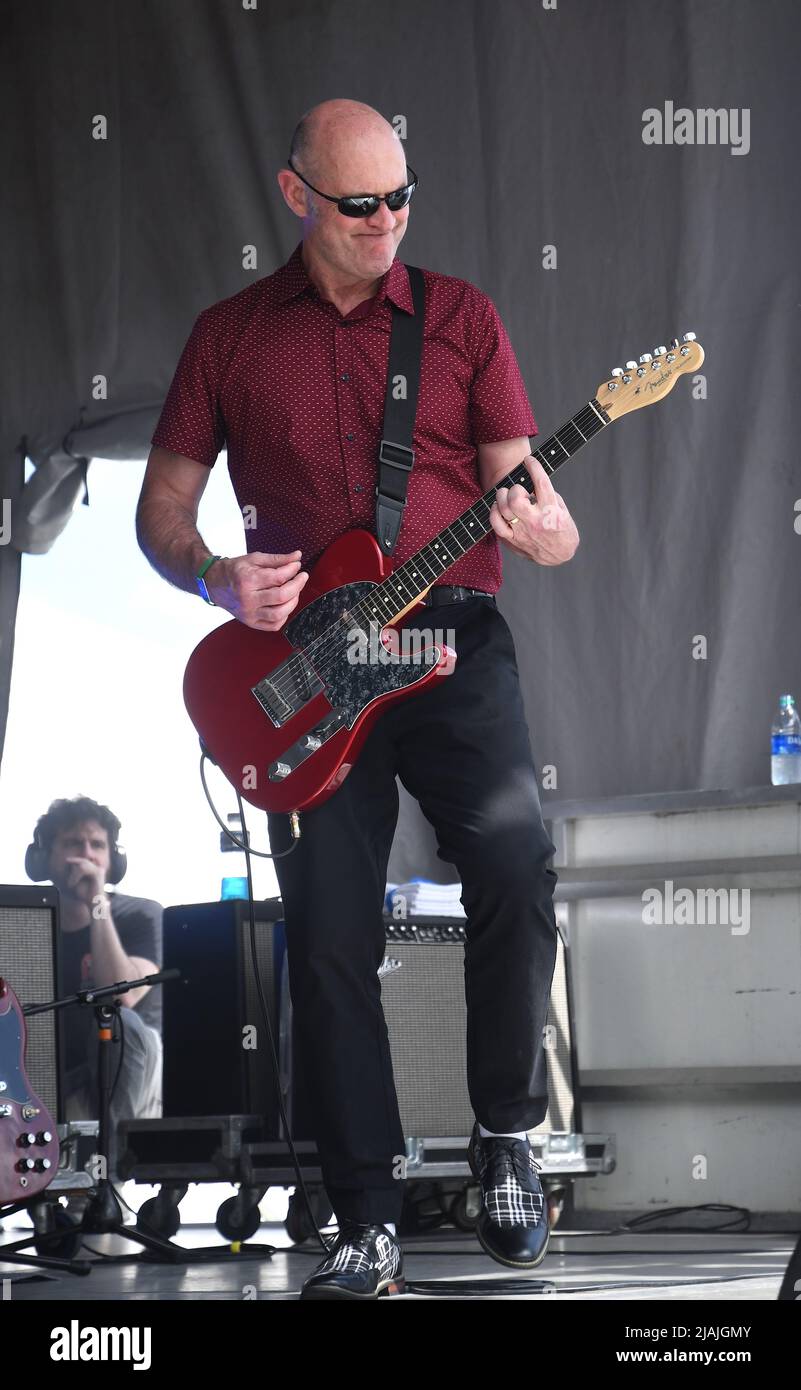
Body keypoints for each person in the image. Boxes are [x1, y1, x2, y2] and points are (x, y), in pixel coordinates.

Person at [137, 99, 580, 1300]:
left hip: (450, 635)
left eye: (399, 197)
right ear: (297, 197)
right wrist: (215, 573)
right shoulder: (228, 338)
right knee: (328, 939)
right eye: (357, 203)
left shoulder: (463, 319)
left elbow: (535, 502)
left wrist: (547, 530)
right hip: (312, 666)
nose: (385, 221)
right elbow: (159, 515)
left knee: (513, 856)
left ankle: (505, 1132)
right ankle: (365, 1216)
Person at [27, 796, 163, 1177]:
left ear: (113, 860)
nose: (87, 856)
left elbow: (122, 993)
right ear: (43, 858)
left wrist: (96, 902)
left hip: (124, 1076)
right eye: (73, 844)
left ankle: (107, 1178)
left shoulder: (139, 914)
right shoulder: (26, 925)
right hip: (47, 1076)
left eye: (97, 845)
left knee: (119, 1023)